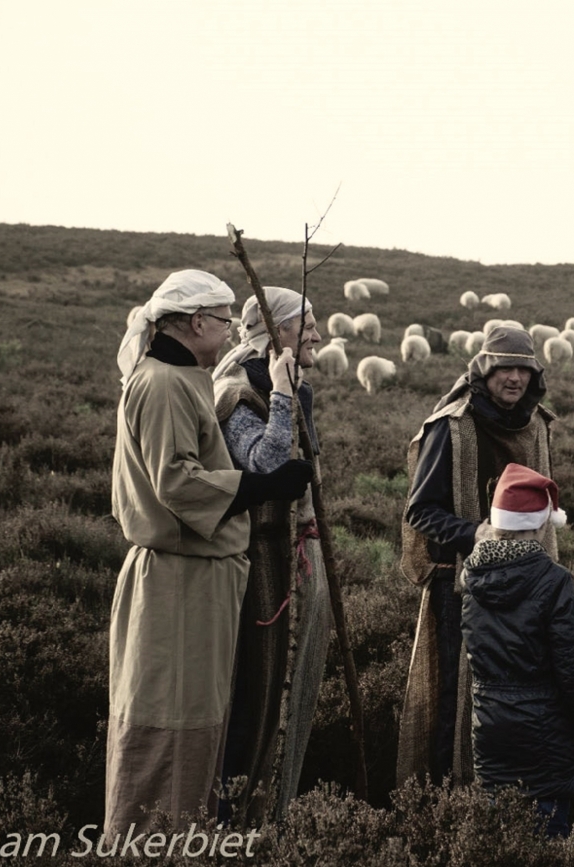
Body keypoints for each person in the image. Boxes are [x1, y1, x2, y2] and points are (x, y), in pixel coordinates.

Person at [106, 270, 313, 835]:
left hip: (198, 575)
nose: (229, 335)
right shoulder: (165, 384)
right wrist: (265, 487)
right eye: (224, 323)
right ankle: (155, 837)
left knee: (196, 715)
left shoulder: (182, 377)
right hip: (178, 583)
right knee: (172, 716)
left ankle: (186, 832)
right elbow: (176, 482)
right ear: (198, 322)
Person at [397, 325, 557, 786]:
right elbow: (420, 511)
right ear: (485, 368)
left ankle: (507, 800)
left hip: (527, 588)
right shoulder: (452, 428)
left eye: (524, 369)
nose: (514, 378)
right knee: (455, 699)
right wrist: (475, 533)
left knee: (518, 695)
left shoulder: (537, 426)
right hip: (459, 586)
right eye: (505, 367)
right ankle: (450, 796)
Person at [460, 463, 574, 838]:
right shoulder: (554, 582)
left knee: (498, 841)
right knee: (548, 839)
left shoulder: (471, 580)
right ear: (540, 525)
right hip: (544, 737)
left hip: (489, 732)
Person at [212, 286, 330, 824]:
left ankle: (260, 803)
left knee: (276, 680)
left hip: (283, 554)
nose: (317, 334)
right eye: (305, 325)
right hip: (247, 560)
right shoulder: (238, 392)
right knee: (250, 683)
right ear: (276, 332)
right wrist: (282, 396)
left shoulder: (291, 385)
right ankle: (225, 809)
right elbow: (262, 463)